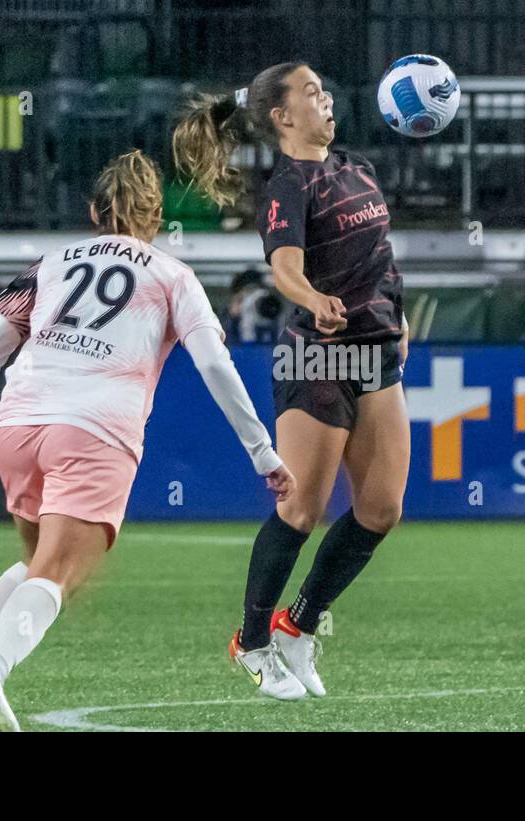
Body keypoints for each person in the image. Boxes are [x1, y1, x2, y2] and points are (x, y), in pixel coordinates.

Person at [0, 149, 295, 731]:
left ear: (95, 210)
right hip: (94, 432)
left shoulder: (50, 263)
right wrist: (262, 452)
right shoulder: (172, 276)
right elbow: (215, 365)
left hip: (17, 428)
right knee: (57, 577)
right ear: (156, 217)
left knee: (37, 563)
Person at [173, 63, 409, 700]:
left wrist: (399, 315)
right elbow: (284, 269)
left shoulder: (356, 166)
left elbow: (380, 257)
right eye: (310, 93)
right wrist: (313, 296)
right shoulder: (289, 184)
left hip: (378, 353)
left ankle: (298, 628)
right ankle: (250, 640)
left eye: (326, 90)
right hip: (320, 357)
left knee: (382, 509)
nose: (325, 99)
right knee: (301, 507)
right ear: (282, 117)